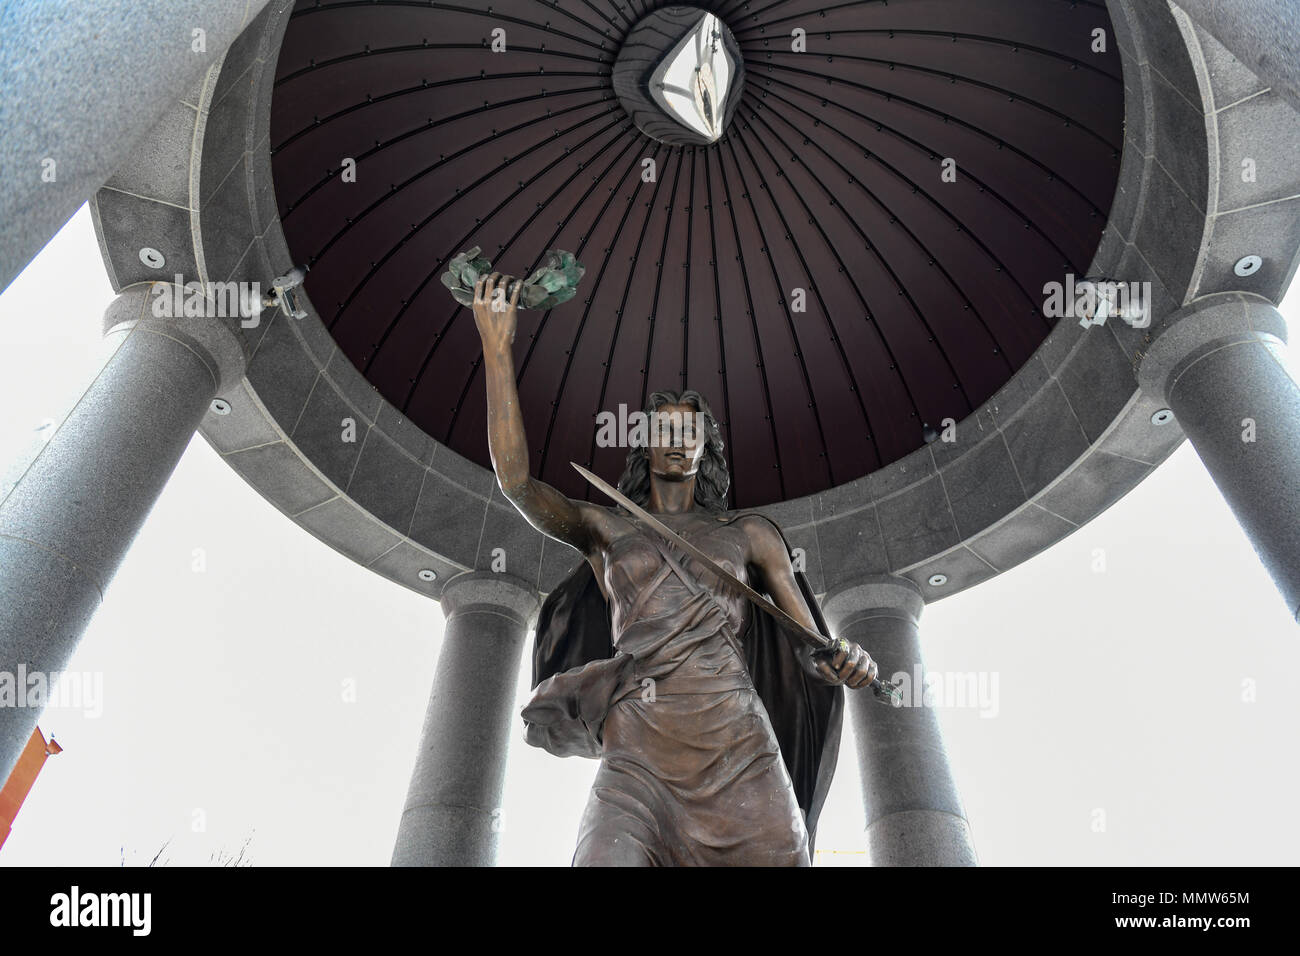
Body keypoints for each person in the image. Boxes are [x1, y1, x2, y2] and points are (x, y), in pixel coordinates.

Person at [472, 272, 878, 866]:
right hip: (638, 738)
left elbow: (808, 647)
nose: (676, 439)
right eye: (663, 428)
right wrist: (497, 348)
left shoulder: (749, 535)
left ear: (704, 448)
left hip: (737, 736)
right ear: (645, 443)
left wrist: (844, 656)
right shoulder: (605, 529)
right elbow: (516, 484)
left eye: (690, 431)